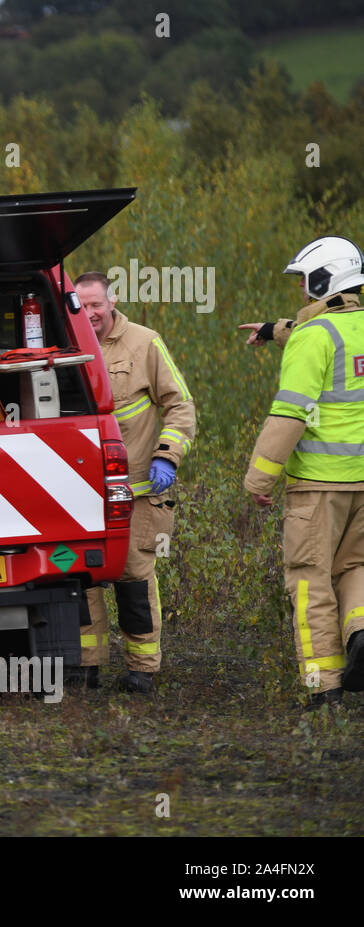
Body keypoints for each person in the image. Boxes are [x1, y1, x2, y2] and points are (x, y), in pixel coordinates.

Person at [244, 237, 364, 709]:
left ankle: (323, 686)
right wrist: (276, 329)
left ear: (323, 280)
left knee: (310, 579)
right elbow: (323, 334)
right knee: (355, 566)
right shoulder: (340, 329)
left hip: (318, 484)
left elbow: (290, 415)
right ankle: (359, 633)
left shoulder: (316, 337)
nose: (302, 292)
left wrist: (259, 478)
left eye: (305, 283)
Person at [71, 272, 196, 693]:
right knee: (80, 581)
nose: (89, 315)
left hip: (136, 494)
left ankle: (142, 671)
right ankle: (85, 668)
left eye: (96, 306)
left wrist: (167, 455)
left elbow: (179, 404)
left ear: (111, 302)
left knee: (133, 583)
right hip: (79, 495)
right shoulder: (64, 341)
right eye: (81, 306)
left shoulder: (144, 342)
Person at [237, 237, 364, 350]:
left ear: (324, 277)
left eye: (304, 276)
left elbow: (313, 338)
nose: (300, 284)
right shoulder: (355, 324)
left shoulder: (309, 341)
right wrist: (271, 330)